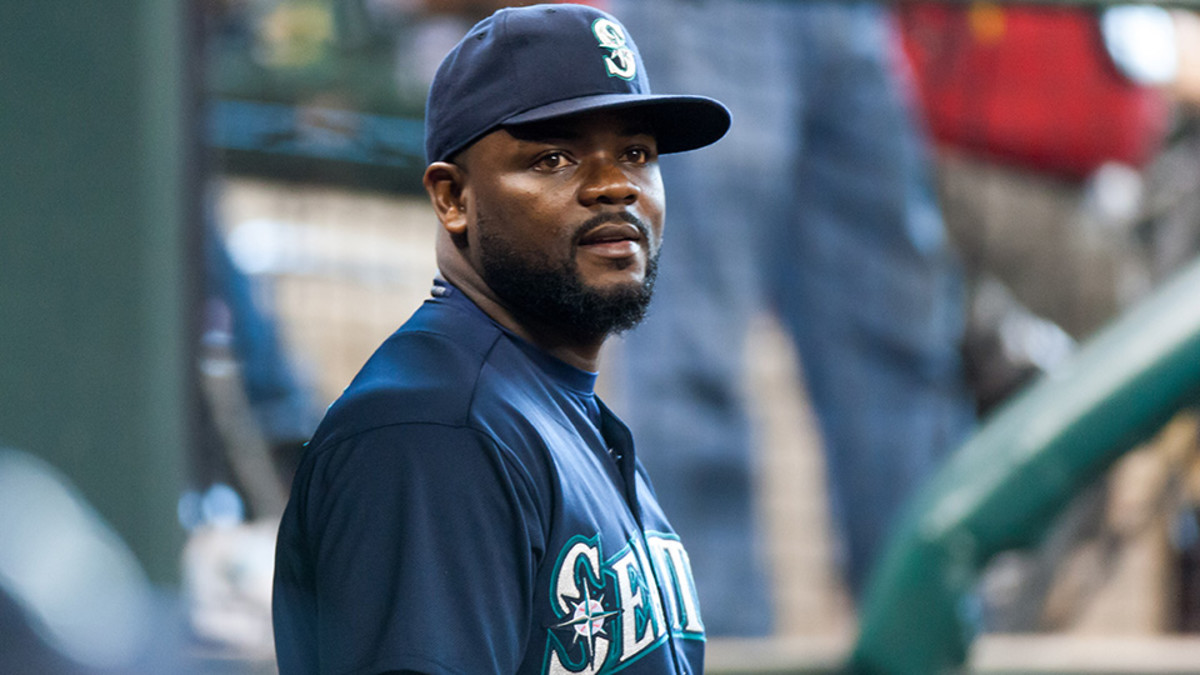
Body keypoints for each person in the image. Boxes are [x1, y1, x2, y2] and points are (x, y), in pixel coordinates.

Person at [272, 4, 731, 673]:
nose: (614, 186)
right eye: (554, 156)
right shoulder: (434, 435)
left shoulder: (549, 407)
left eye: (636, 153)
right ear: (452, 197)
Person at [607, 0, 976, 634]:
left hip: (855, 17)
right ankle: (707, 650)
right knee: (692, 367)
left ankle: (924, 639)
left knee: (902, 357)